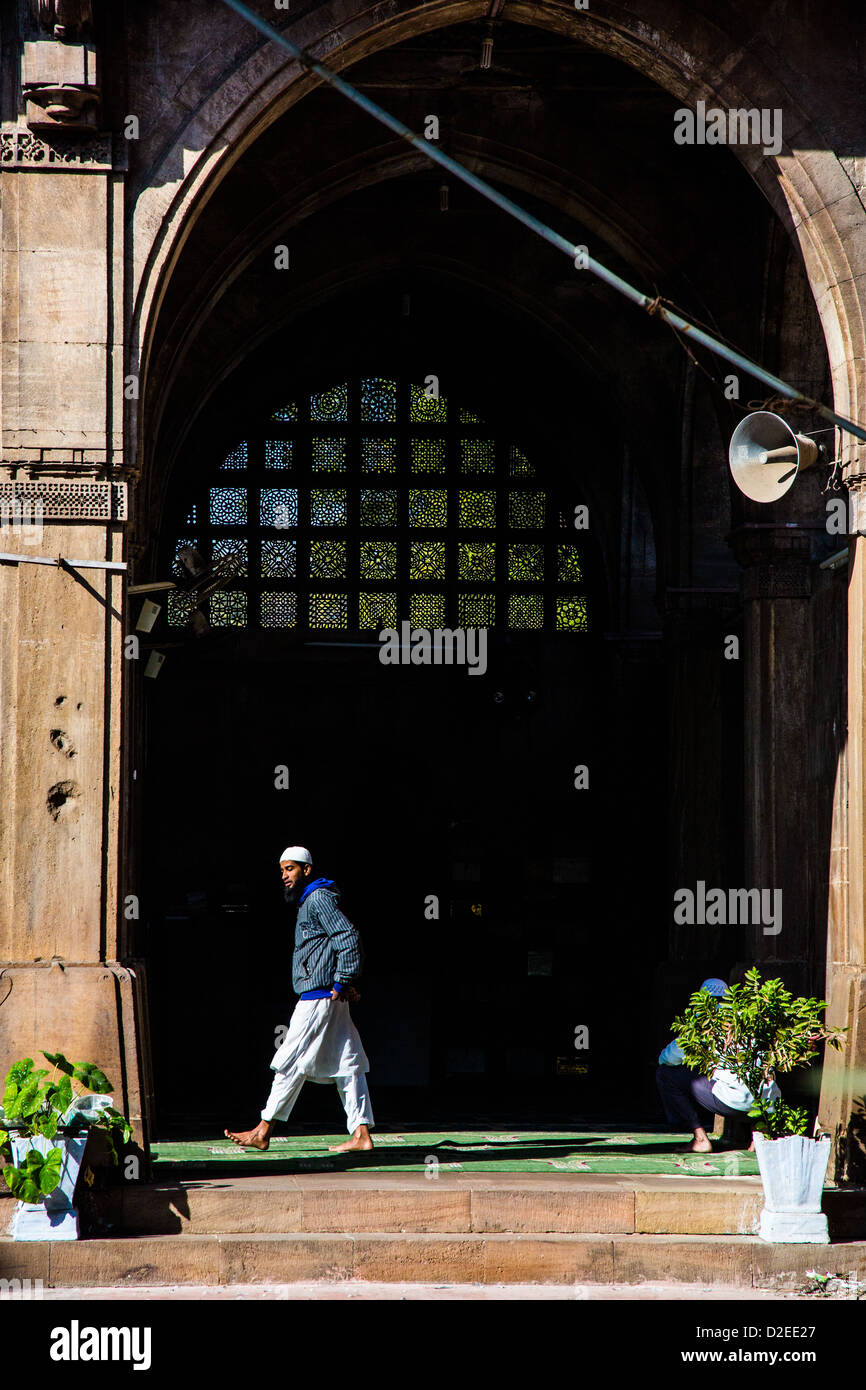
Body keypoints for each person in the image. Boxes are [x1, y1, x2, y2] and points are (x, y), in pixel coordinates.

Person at [225, 845, 374, 1154]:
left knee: (289, 1059)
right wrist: (343, 982)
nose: (284, 875)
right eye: (282, 870)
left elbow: (347, 936)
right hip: (328, 997)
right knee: (348, 1064)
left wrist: (343, 979)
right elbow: (330, 944)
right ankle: (361, 1133)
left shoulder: (318, 899)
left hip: (319, 998)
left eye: (290, 869)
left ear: (307, 870)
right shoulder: (311, 900)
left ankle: (263, 1130)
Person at [656, 977, 781, 1152]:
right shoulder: (752, 1019)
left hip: (732, 1103)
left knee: (666, 1074)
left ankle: (700, 1138)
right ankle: (759, 1135)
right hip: (767, 1105)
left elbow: (667, 1058)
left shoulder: (702, 1024)